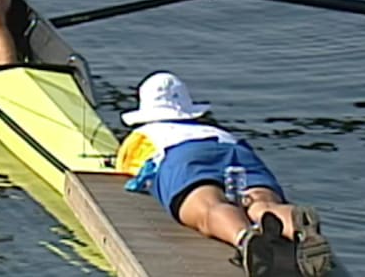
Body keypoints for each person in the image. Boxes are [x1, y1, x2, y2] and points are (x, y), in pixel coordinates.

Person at [116, 71, 333, 277]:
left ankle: (244, 238)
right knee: (260, 203)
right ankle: (297, 226)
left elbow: (126, 166)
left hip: (182, 157)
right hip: (235, 151)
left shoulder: (142, 135)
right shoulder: (215, 130)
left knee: (210, 207)